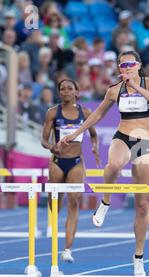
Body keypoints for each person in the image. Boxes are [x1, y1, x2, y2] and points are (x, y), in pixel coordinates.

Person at [59, 51, 149, 276]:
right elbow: (96, 115)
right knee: (114, 165)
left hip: (146, 142)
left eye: (128, 64)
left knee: (143, 205)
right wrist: (75, 133)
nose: (124, 68)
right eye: (121, 64)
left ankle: (138, 257)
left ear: (138, 65)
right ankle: (105, 203)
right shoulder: (115, 90)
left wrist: (136, 86)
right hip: (124, 135)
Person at [41, 79, 100, 263]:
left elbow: (94, 135)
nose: (66, 91)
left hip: (75, 162)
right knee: (54, 200)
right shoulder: (52, 113)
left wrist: (95, 147)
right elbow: (43, 140)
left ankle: (67, 248)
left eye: (69, 89)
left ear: (77, 92)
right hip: (58, 161)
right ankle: (54, 223)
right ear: (59, 93)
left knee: (74, 201)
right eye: (62, 89)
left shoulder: (86, 113)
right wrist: (52, 147)